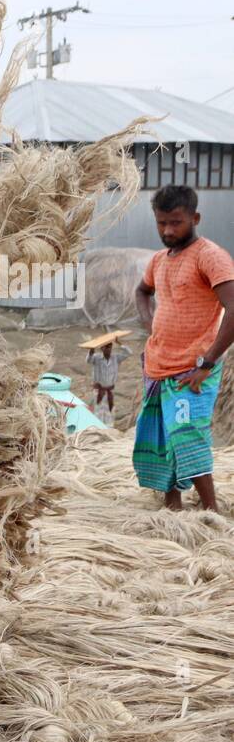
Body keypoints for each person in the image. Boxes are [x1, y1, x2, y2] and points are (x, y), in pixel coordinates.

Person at [132, 185, 234, 512]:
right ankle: (172, 503)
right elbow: (142, 292)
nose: (168, 230)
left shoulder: (210, 256)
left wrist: (208, 362)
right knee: (164, 436)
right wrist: (151, 327)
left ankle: (210, 510)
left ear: (195, 217)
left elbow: (233, 307)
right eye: (161, 223)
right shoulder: (159, 259)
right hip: (158, 366)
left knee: (187, 433)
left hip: (193, 370)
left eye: (176, 222)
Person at [86, 339, 130, 424]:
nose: (108, 349)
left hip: (110, 389)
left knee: (109, 409)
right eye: (106, 347)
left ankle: (109, 428)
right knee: (98, 410)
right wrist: (91, 350)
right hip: (99, 390)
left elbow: (128, 353)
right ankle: (98, 427)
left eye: (110, 347)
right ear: (102, 348)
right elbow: (88, 360)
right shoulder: (96, 357)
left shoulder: (116, 358)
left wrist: (120, 343)